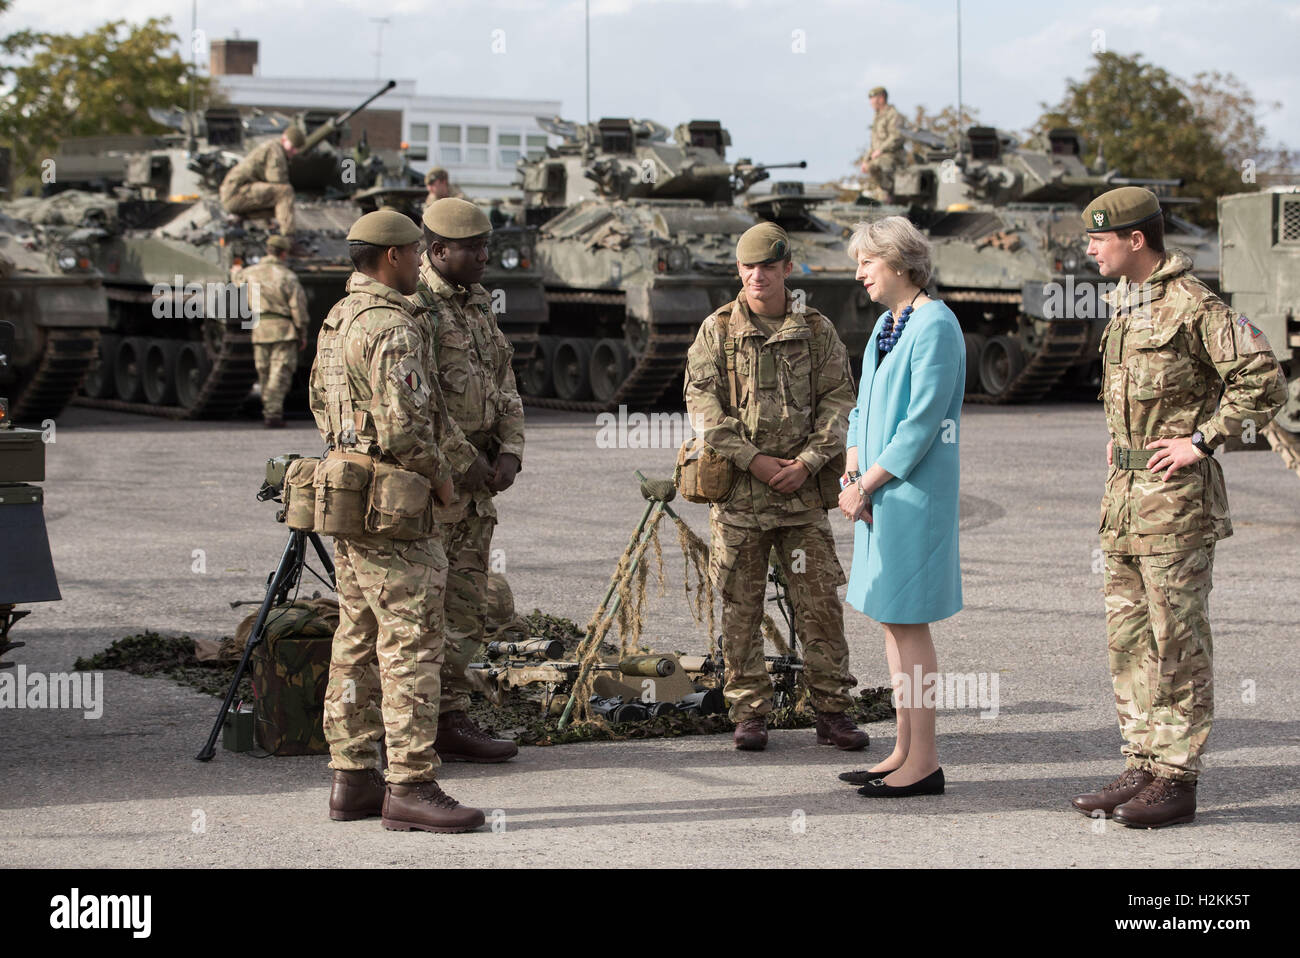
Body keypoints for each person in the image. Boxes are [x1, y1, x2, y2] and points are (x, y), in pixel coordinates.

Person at [1070, 187, 1286, 828]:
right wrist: (1121, 437)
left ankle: (1177, 778)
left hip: (1175, 506)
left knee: (1178, 641)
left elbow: (1264, 378)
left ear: (1137, 240)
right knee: (1130, 639)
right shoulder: (1125, 303)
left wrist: (1202, 440)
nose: (1090, 250)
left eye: (1099, 239)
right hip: (1125, 503)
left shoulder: (1192, 304)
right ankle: (1141, 762)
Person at [308, 208, 484, 833]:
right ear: (392, 258)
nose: (419, 261)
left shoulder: (338, 319)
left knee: (355, 638)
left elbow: (318, 403)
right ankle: (411, 783)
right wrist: (442, 478)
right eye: (414, 253)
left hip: (349, 498)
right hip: (396, 508)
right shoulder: (395, 327)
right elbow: (409, 427)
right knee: (411, 641)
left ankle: (351, 777)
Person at [683, 222, 867, 752]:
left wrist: (809, 462)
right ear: (738, 271)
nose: (757, 276)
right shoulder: (717, 331)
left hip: (802, 500)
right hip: (741, 499)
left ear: (788, 268)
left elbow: (840, 399)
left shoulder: (816, 330)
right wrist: (755, 460)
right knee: (740, 607)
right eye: (748, 267)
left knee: (820, 606)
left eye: (768, 266)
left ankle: (832, 711)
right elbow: (703, 407)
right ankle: (749, 712)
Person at [835, 216, 964, 799]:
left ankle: (926, 762)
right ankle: (903, 750)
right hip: (879, 492)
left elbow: (922, 426)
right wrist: (853, 468)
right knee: (892, 620)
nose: (859, 271)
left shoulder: (935, 325)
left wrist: (867, 485)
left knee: (909, 625)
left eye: (867, 260)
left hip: (911, 497)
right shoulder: (888, 326)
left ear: (900, 263)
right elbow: (862, 410)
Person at [410, 196, 525, 764]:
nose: (484, 257)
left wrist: (511, 449)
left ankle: (450, 718)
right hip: (436, 486)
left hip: (479, 489)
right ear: (437, 251)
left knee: (464, 608)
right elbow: (417, 401)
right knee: (419, 614)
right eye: (473, 248)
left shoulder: (478, 303)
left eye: (486, 246)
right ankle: (408, 728)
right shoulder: (413, 306)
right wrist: (461, 459)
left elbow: (502, 379)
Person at [240, 234, 309, 428]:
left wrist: (235, 270)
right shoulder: (287, 276)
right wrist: (302, 331)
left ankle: (269, 409)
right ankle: (273, 413)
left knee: (264, 371)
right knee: (280, 372)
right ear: (284, 254)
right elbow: (298, 307)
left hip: (260, 328)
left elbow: (236, 280)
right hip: (283, 329)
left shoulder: (249, 272)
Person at [220, 126, 305, 235]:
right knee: (286, 192)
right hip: (236, 194)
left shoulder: (276, 148)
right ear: (284, 139)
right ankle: (288, 238)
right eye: (293, 147)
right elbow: (277, 182)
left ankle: (239, 217)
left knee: (280, 205)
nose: (295, 151)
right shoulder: (275, 151)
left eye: (297, 149)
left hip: (238, 195)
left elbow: (268, 190)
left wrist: (268, 223)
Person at [859, 87, 905, 203]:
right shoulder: (877, 117)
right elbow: (873, 143)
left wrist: (881, 150)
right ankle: (883, 194)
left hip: (892, 155)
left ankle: (890, 196)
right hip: (879, 155)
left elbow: (896, 137)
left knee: (880, 164)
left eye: (873, 99)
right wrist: (866, 160)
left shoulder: (893, 115)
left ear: (881, 98)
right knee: (870, 166)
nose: (871, 103)